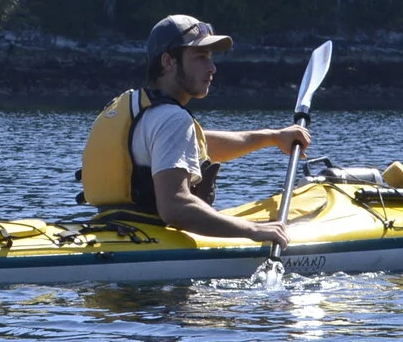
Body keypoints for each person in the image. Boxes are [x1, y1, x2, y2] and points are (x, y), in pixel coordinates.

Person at [81, 14, 310, 247]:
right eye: (200, 57)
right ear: (169, 61)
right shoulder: (171, 119)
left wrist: (272, 137)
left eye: (210, 58)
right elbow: (176, 207)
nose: (212, 68)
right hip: (149, 243)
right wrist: (253, 230)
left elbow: (196, 145)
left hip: (110, 229)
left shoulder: (131, 106)